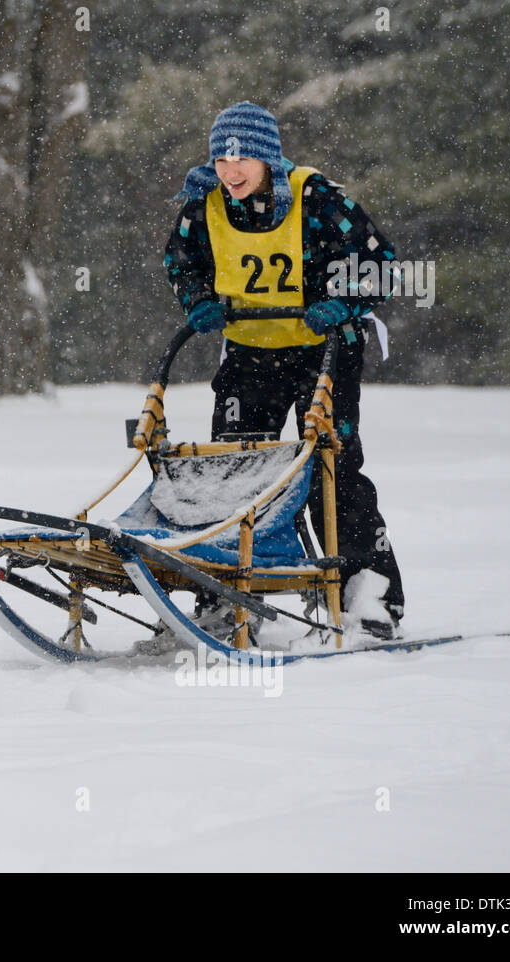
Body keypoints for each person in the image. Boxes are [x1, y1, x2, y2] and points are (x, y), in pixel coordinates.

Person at [162, 101, 404, 639]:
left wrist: (342, 300)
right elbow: (179, 260)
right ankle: (223, 593)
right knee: (234, 472)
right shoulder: (202, 206)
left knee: (331, 471)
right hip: (249, 353)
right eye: (222, 160)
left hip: (324, 351)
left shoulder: (317, 197)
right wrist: (198, 298)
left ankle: (368, 597)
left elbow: (381, 264)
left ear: (268, 157)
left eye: (243, 157)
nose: (231, 170)